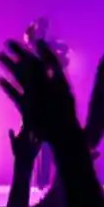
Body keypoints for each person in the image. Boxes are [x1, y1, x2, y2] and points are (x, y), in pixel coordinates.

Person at [22, 17, 69, 188]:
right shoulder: (33, 47)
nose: (42, 30)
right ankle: (37, 180)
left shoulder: (50, 47)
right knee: (35, 138)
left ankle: (43, 181)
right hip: (36, 96)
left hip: (49, 97)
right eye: (40, 27)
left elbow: (62, 62)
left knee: (48, 140)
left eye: (44, 27)